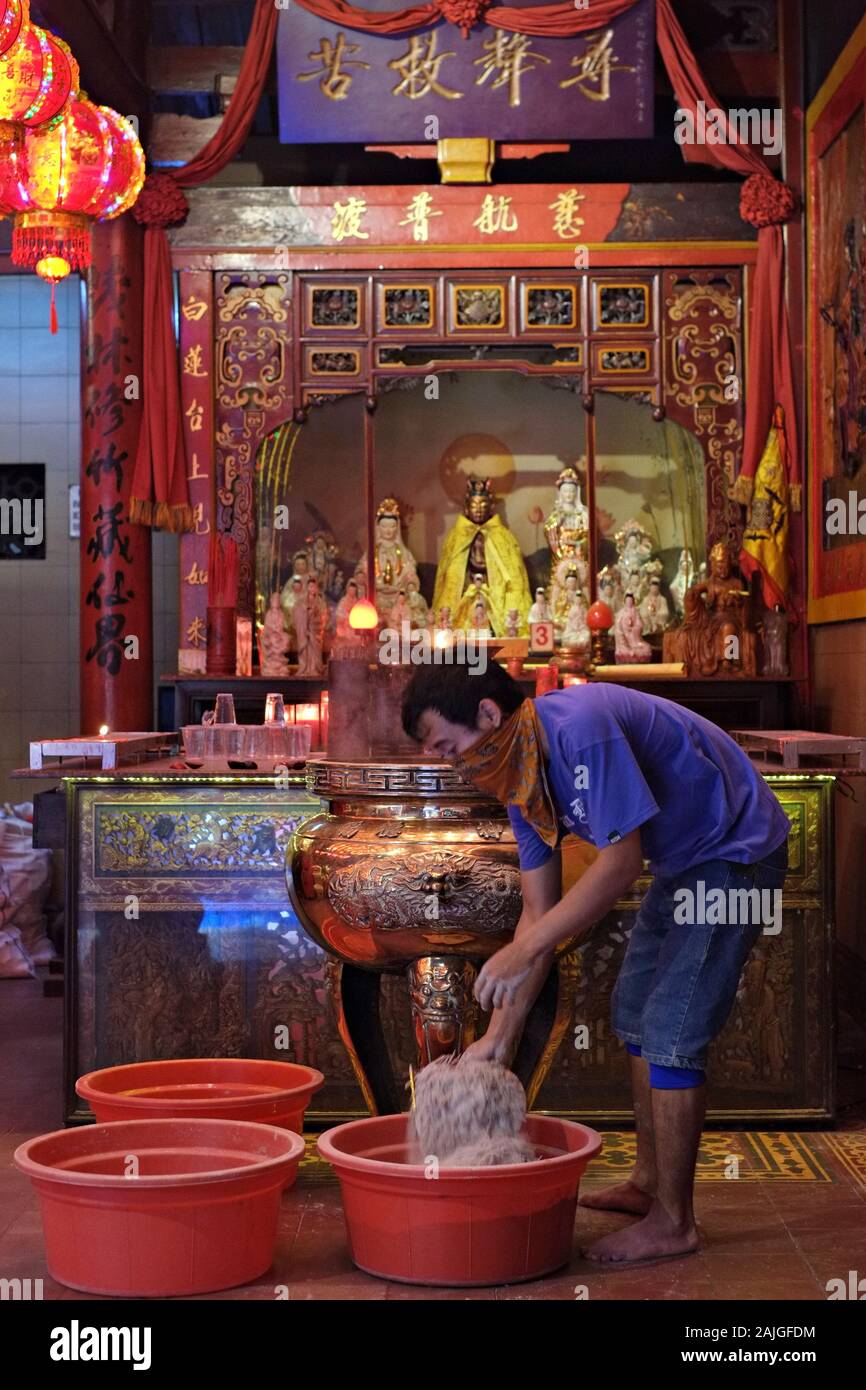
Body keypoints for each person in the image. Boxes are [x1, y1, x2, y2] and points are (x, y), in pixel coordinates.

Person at [401, 664, 789, 1266]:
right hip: (685, 861)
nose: (457, 768)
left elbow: (618, 864)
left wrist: (524, 951)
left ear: (487, 714)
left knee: (671, 1032)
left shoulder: (580, 729)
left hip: (734, 850)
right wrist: (496, 1041)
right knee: (632, 1012)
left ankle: (675, 1221)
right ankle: (649, 1181)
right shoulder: (523, 783)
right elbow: (539, 911)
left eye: (451, 750)